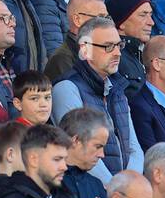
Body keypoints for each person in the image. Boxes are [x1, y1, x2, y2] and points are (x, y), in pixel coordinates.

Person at [52, 16, 141, 183]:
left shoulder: (118, 90)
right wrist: (115, 189)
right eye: (108, 47)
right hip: (89, 193)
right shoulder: (67, 88)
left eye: (119, 45)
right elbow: (79, 150)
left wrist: (130, 185)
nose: (117, 53)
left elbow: (134, 147)